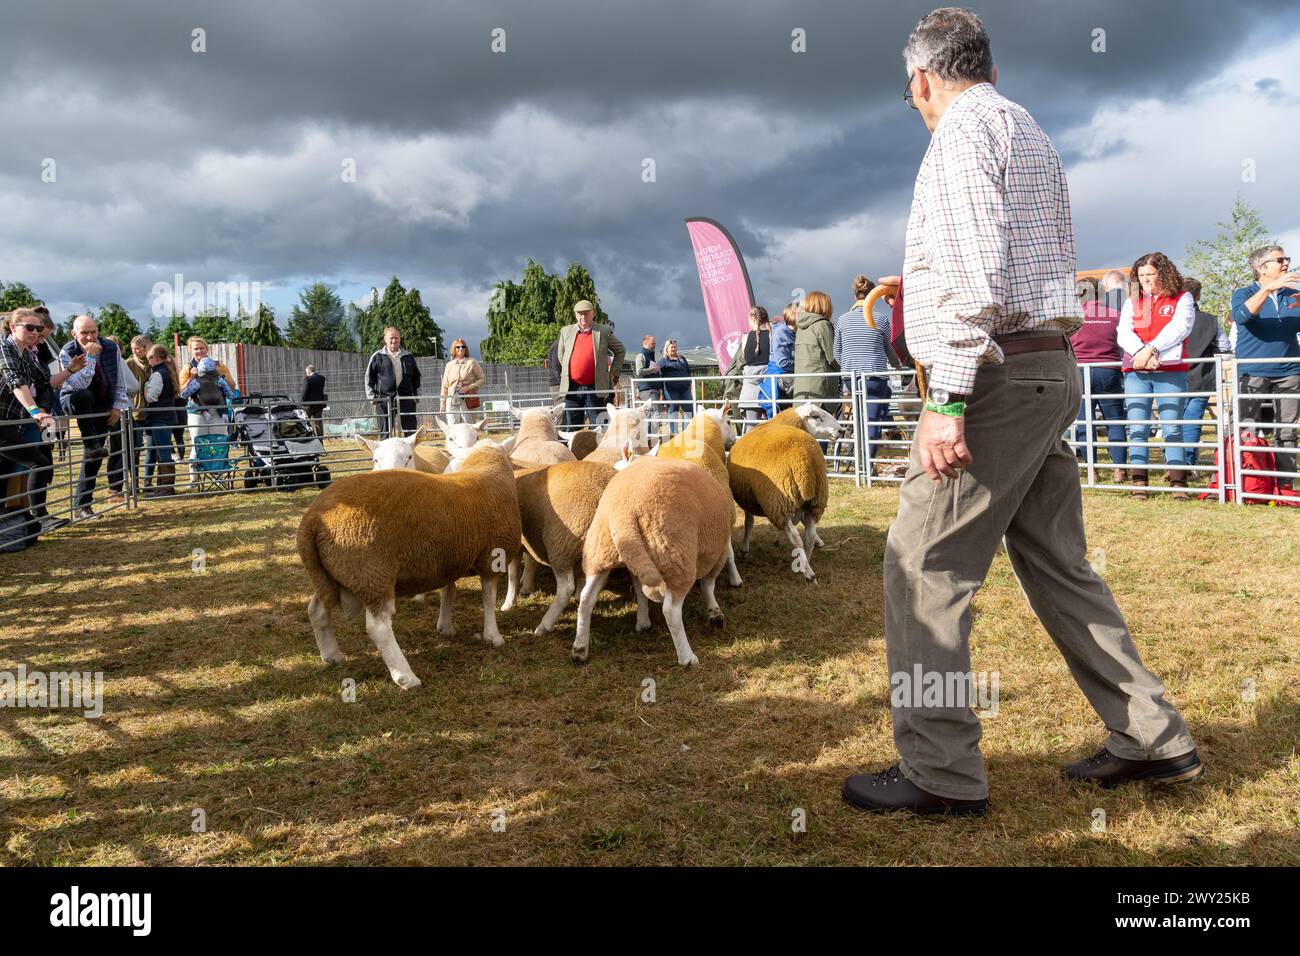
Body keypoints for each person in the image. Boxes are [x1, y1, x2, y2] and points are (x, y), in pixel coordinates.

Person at [842, 8, 1199, 817]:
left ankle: (939, 770)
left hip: (997, 375)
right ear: (991, 70)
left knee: (923, 561)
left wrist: (947, 399)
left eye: (913, 98)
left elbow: (973, 278)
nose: (917, 108)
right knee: (1058, 562)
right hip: (1045, 367)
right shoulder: (1023, 127)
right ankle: (1151, 734)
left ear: (922, 82)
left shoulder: (961, 137)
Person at [1117, 252, 1196, 501]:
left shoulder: (1182, 297)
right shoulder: (1132, 300)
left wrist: (1152, 348)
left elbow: (1180, 327)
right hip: (1136, 370)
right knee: (1138, 427)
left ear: (1163, 273)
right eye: (1141, 275)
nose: (1145, 279)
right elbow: (1123, 331)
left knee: (1172, 427)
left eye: (1150, 274)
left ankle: (1177, 482)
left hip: (1170, 370)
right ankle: (1139, 482)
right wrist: (1141, 353)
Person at [1, 308, 82, 541]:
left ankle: (11, 531)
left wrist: (69, 371)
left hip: (11, 423)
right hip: (3, 424)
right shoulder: (4, 348)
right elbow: (15, 380)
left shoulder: (27, 354)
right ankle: (39, 518)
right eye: (29, 327)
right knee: (39, 462)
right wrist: (36, 411)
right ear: (12, 327)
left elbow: (45, 382)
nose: (35, 332)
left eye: (38, 329)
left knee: (5, 473)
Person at [1230, 245, 1300, 487]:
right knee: (1244, 426)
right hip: (1251, 372)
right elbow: (1242, 316)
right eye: (1279, 259)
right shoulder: (1243, 292)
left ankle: (1285, 484)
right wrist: (1268, 288)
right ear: (1260, 268)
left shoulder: (1294, 294)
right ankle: (1244, 478)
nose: (1285, 263)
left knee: (1286, 430)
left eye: (1286, 259)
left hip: (1289, 372)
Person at [59, 315, 130, 520]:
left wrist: (117, 405)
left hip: (102, 404)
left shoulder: (111, 348)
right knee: (83, 395)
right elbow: (77, 384)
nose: (90, 337)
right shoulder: (67, 352)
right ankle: (91, 442)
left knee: (95, 456)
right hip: (75, 401)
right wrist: (89, 358)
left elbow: (119, 378)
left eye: (93, 331)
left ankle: (83, 506)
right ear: (74, 334)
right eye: (84, 333)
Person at [1070, 278, 1127, 482]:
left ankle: (1092, 468)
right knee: (1115, 419)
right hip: (1108, 369)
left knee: (1085, 420)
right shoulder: (1115, 316)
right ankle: (1119, 468)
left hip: (1080, 370)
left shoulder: (1073, 317)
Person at [834, 274, 896, 460]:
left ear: (855, 296)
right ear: (873, 296)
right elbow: (889, 349)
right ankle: (868, 461)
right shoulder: (881, 319)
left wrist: (848, 365)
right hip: (875, 376)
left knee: (861, 415)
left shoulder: (842, 320)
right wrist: (898, 365)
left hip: (851, 378)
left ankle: (859, 454)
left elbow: (837, 352)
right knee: (874, 418)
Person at [1180, 277, 1231, 472]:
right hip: (1201, 377)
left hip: (1175, 377)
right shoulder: (1210, 321)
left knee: (1173, 421)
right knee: (1192, 422)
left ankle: (1173, 462)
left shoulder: (1171, 319)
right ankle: (1188, 463)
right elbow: (1224, 346)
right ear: (1198, 295)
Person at [555, 300, 625, 428]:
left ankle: (598, 448)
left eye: (586, 313)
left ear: (593, 314)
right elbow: (561, 355)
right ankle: (573, 448)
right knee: (572, 427)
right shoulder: (565, 331)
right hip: (572, 388)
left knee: (598, 427)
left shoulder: (603, 331)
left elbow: (620, 350)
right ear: (575, 315)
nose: (583, 316)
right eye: (579, 313)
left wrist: (613, 373)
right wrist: (569, 370)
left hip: (595, 387)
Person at [179, 336, 238, 462]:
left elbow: (232, 387)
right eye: (196, 349)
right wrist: (192, 377)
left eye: (202, 348)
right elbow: (181, 392)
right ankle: (194, 480)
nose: (199, 351)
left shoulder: (219, 365)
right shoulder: (188, 367)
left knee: (219, 444)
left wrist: (220, 374)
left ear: (207, 349)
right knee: (198, 445)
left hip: (218, 411)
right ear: (191, 350)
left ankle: (218, 477)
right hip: (197, 411)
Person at [365, 327, 421, 438]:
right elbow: (368, 378)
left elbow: (417, 378)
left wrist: (416, 396)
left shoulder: (408, 357)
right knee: (385, 432)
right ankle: (385, 454)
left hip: (406, 398)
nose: (394, 341)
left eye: (396, 338)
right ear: (385, 339)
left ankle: (411, 454)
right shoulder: (377, 357)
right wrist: (373, 398)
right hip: (384, 400)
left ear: (400, 339)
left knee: (411, 431)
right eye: (391, 338)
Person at [141, 345, 182, 497]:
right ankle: (162, 487)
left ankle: (166, 488)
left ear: (155, 358)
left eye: (149, 358)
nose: (148, 361)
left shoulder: (158, 374)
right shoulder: (167, 371)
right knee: (162, 451)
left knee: (163, 452)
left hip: (160, 417)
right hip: (166, 416)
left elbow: (151, 397)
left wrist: (145, 389)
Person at [792, 291, 839, 413]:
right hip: (820, 389)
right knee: (824, 429)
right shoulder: (822, 325)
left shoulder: (800, 328)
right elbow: (832, 357)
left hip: (801, 389)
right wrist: (845, 370)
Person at [125, 335, 153, 491]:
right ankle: (133, 482)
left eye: (137, 348)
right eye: (132, 348)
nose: (134, 351)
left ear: (146, 348)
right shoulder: (128, 364)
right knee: (134, 449)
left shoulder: (154, 362)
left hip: (152, 412)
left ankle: (148, 482)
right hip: (135, 412)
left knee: (152, 449)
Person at [738, 307, 772, 427]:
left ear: (752, 319)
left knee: (751, 427)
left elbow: (744, 359)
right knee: (774, 427)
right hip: (769, 385)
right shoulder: (772, 335)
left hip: (750, 387)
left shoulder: (745, 338)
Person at [440, 338, 487, 424]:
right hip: (452, 400)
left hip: (468, 400)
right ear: (454, 349)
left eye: (463, 347)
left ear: (466, 349)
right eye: (458, 347)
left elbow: (482, 379)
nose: (460, 349)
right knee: (452, 427)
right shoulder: (449, 365)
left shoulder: (472, 362)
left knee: (469, 427)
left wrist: (469, 387)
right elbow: (444, 386)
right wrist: (442, 403)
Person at [657, 339, 693, 435]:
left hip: (685, 389)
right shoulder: (662, 362)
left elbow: (688, 372)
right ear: (667, 349)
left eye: (675, 347)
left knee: (689, 409)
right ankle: (675, 434)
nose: (674, 349)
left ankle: (686, 433)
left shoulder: (682, 359)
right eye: (671, 347)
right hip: (671, 390)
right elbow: (659, 378)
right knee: (673, 410)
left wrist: (689, 385)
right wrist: (661, 394)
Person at [770, 304, 798, 405]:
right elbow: (782, 362)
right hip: (782, 378)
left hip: (792, 376)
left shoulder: (797, 333)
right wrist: (803, 364)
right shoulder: (780, 333)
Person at [633, 336, 662, 406]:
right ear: (645, 343)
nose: (654, 346)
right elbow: (639, 372)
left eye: (654, 344)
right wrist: (654, 369)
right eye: (652, 344)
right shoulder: (640, 356)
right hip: (647, 390)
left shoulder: (650, 356)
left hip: (653, 389)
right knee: (655, 413)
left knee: (654, 413)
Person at [301, 365, 327, 436]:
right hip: (319, 405)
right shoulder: (322, 378)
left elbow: (305, 392)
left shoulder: (307, 379)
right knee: (318, 423)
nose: (306, 374)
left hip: (309, 406)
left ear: (309, 372)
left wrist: (301, 403)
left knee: (306, 422)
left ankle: (309, 438)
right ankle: (320, 440)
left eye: (306, 372)